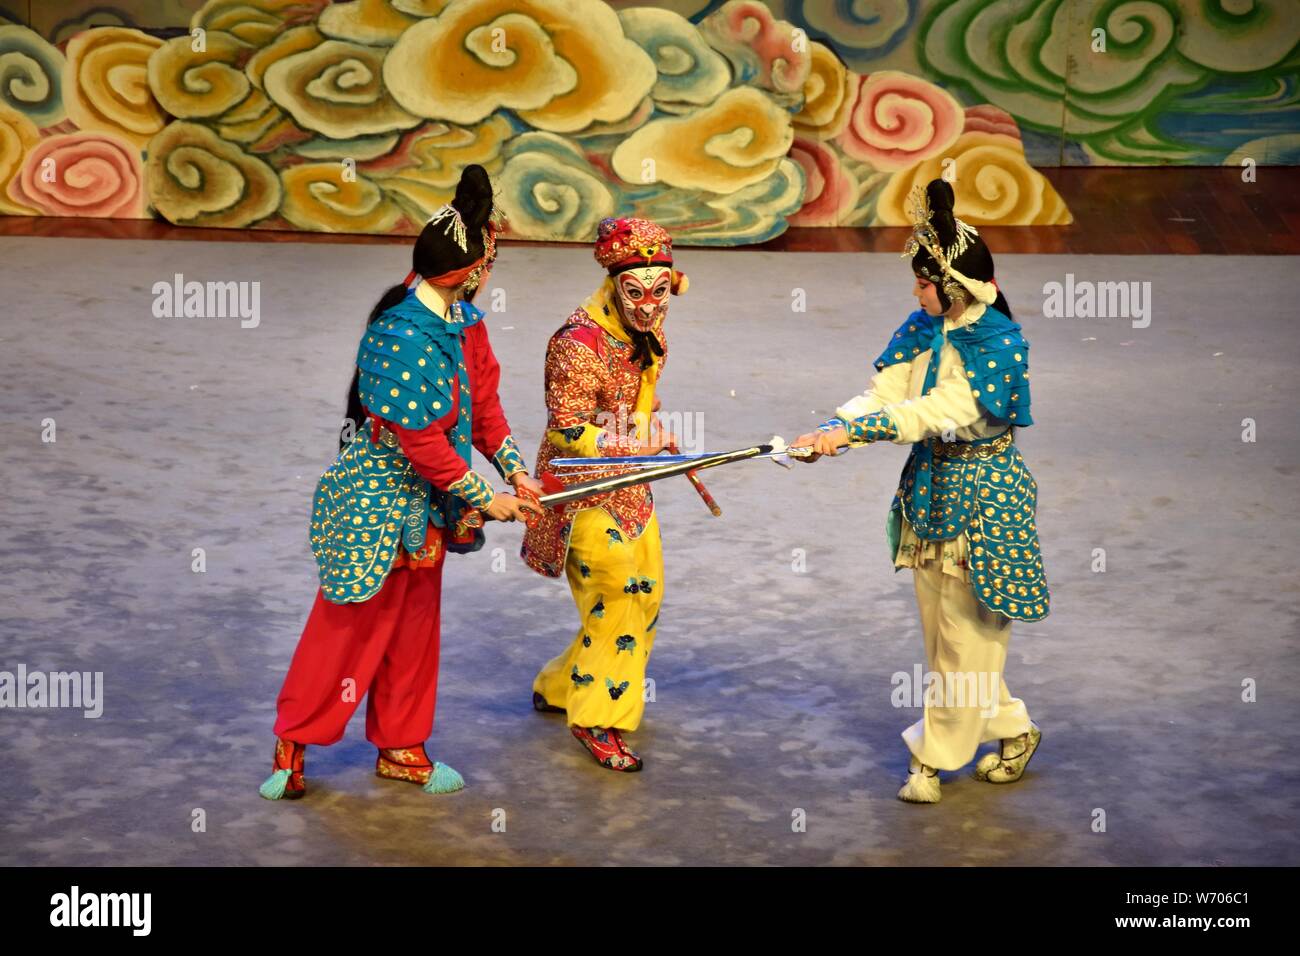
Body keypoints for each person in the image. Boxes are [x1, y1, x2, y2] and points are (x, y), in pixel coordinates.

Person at [260, 164, 542, 800]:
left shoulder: (466, 326)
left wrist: (517, 471)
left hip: (430, 511)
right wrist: (487, 499)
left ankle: (402, 746)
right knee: (348, 625)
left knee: (416, 627)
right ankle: (294, 738)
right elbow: (422, 446)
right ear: (469, 272)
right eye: (486, 269)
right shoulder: (397, 337)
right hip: (378, 505)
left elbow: (486, 411)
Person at [791, 179, 1048, 804]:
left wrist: (853, 434)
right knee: (947, 643)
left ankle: (931, 760)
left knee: (965, 641)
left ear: (955, 286)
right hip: (930, 493)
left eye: (924, 281)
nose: (915, 290)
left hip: (984, 505)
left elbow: (935, 412)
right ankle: (1013, 730)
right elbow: (888, 395)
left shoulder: (998, 346)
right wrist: (831, 428)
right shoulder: (925, 326)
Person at [521, 217, 687, 772]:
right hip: (582, 491)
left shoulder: (647, 334)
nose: (648, 306)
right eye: (635, 293)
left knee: (646, 594)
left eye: (660, 292)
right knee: (617, 595)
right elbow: (568, 429)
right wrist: (638, 435)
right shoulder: (574, 345)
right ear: (614, 284)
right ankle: (596, 718)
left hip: (630, 483)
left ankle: (561, 684)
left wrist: (643, 417)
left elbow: (634, 394)